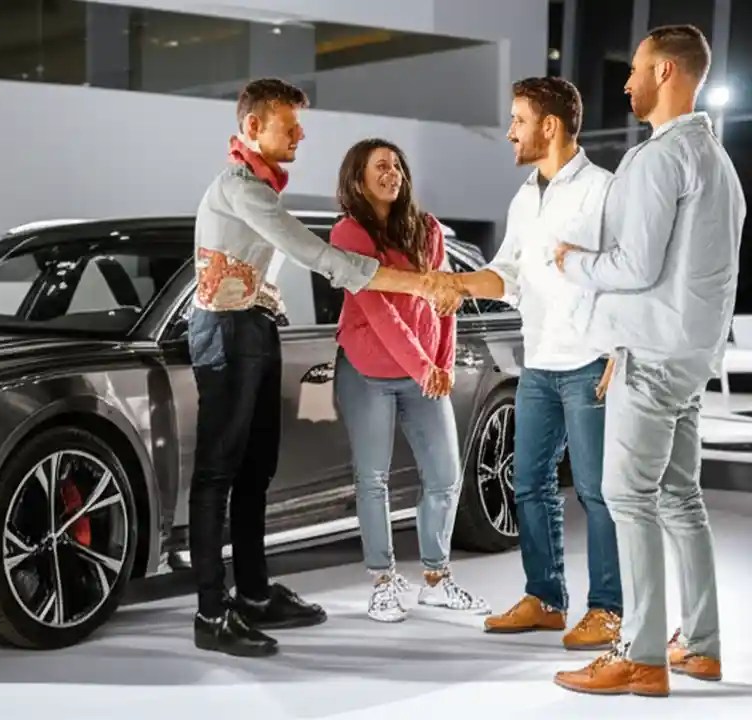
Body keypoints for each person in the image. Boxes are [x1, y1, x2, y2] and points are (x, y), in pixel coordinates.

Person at [189, 77, 465, 657]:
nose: (300, 133)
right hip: (228, 332)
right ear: (251, 128)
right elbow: (319, 257)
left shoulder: (261, 186)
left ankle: (256, 595)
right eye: (289, 125)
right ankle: (212, 613)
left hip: (257, 329)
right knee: (219, 472)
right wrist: (421, 282)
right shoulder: (242, 189)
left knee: (255, 471)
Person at [548, 25, 745, 696]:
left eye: (635, 69)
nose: (626, 81)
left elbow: (634, 267)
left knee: (630, 499)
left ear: (666, 72)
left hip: (653, 355)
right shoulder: (718, 162)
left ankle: (639, 657)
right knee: (680, 498)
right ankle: (701, 644)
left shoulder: (662, 158)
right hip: (689, 355)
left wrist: (575, 262)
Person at [447, 77, 623, 650]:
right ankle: (546, 599)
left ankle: (610, 609)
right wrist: (450, 283)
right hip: (539, 361)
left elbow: (630, 273)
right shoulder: (525, 197)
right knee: (528, 484)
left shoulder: (603, 190)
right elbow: (509, 274)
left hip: (591, 361)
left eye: (518, 120)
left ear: (549, 125)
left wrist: (621, 349)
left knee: (596, 492)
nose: (509, 132)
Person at [330, 138, 490, 623]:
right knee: (372, 478)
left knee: (445, 476)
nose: (393, 172)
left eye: (397, 164)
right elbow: (378, 313)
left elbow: (445, 300)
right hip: (366, 371)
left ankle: (437, 580)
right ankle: (382, 581)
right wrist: (425, 366)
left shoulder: (427, 229)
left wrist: (440, 363)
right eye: (381, 165)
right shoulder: (348, 233)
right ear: (358, 177)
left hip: (423, 370)